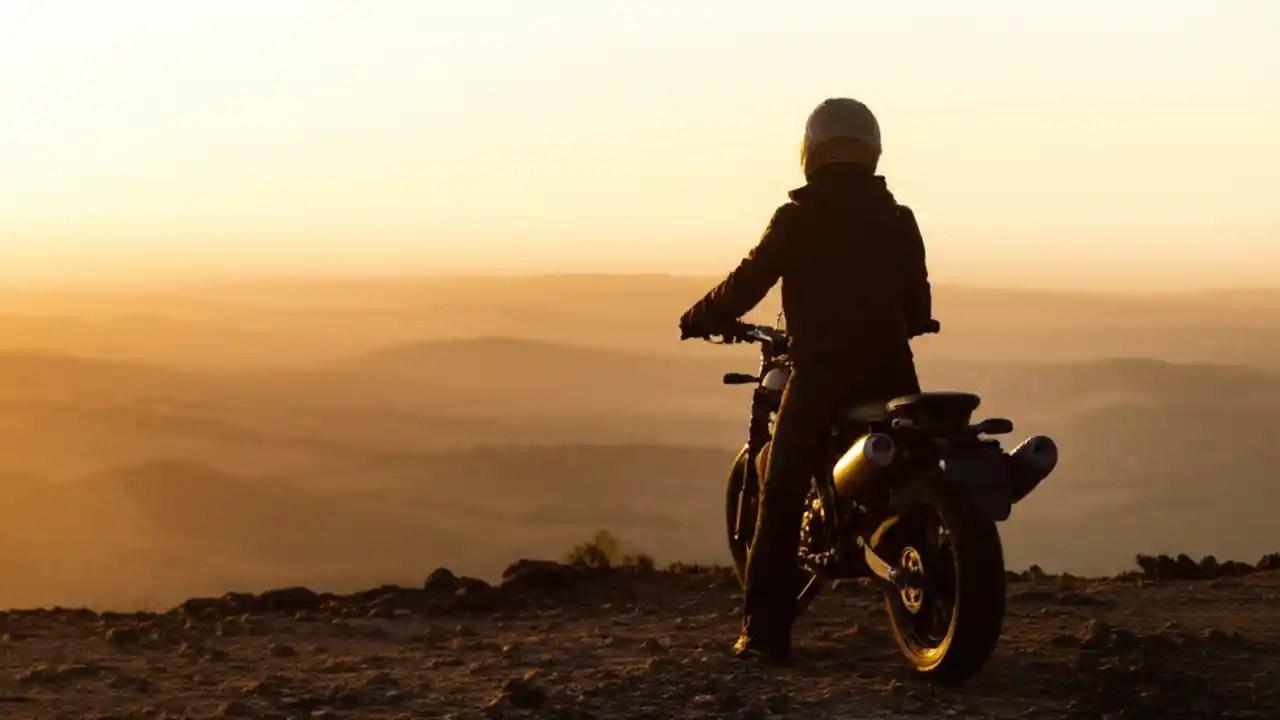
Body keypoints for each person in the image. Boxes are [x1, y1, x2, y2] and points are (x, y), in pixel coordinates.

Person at [679, 97, 934, 662]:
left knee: (781, 493)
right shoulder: (898, 218)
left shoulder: (798, 218)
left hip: (821, 371)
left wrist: (702, 315)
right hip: (892, 370)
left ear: (811, 151)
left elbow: (745, 284)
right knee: (919, 458)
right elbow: (918, 306)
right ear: (871, 151)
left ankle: (764, 633)